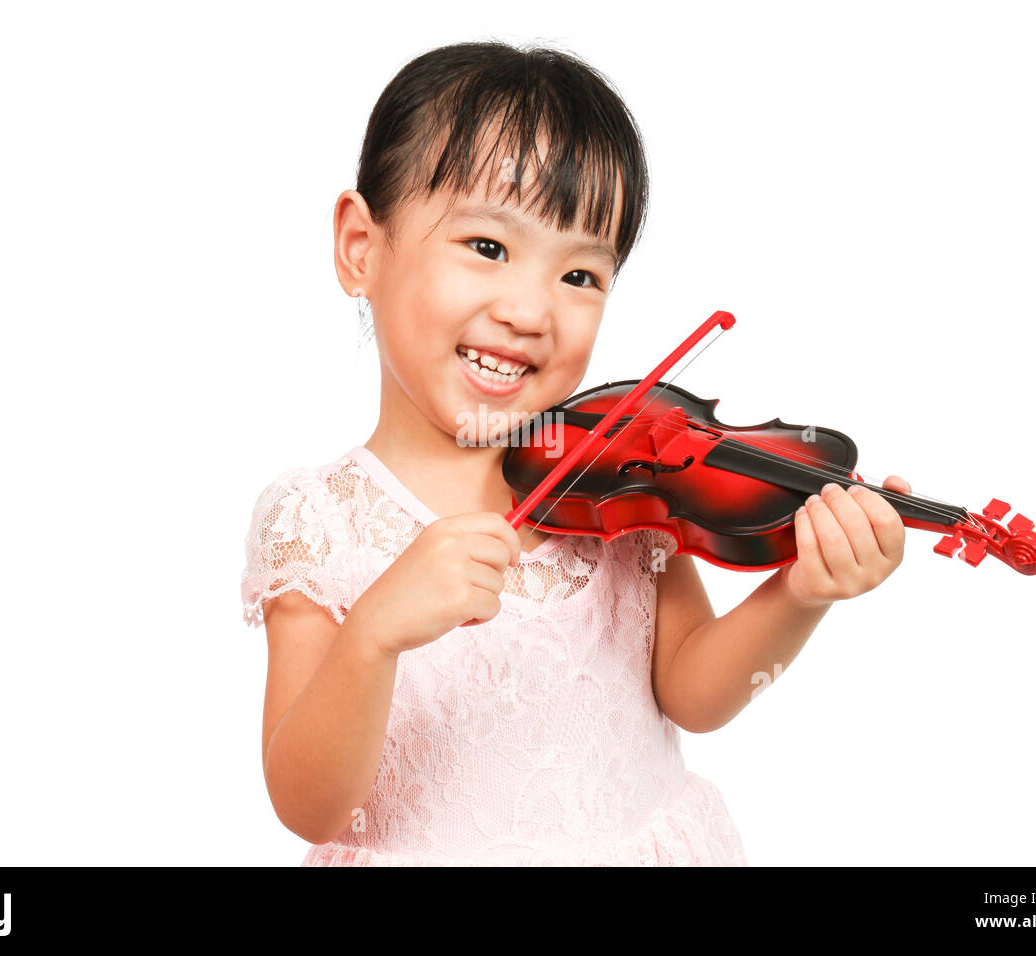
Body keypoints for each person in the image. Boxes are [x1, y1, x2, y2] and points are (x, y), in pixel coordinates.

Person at [240, 40, 912, 865]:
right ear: (360, 247)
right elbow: (310, 808)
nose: (530, 310)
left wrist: (802, 592)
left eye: (582, 276)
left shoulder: (615, 484)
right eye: (488, 247)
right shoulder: (317, 520)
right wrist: (373, 632)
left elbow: (693, 695)